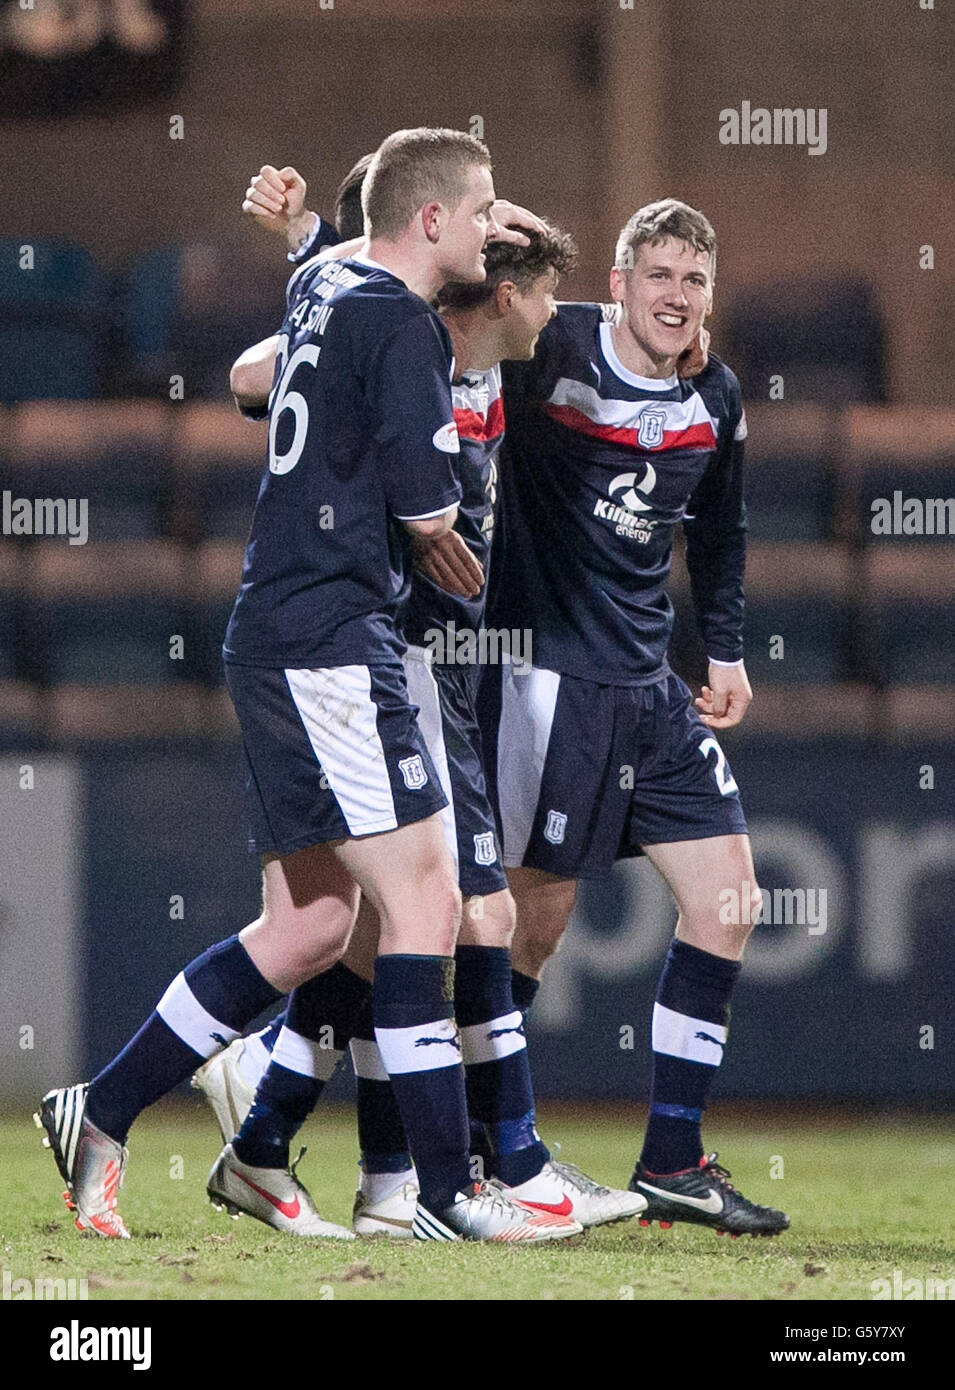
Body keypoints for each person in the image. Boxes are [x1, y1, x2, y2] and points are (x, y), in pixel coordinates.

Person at [36, 128, 577, 1245]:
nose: (491, 231)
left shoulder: (328, 279)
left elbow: (265, 362)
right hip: (333, 642)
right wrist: (432, 529)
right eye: (480, 213)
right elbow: (428, 512)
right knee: (427, 903)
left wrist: (307, 234)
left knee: (314, 925)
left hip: (274, 629)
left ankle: (103, 1108)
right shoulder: (405, 328)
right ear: (432, 223)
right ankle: (441, 1191)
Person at [201, 160, 645, 1236]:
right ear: (484, 278)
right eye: (530, 279)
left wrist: (314, 237)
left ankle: (310, 1144)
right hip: (383, 656)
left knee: (372, 936)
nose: (552, 310)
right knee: (456, 913)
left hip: (435, 664)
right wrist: (318, 243)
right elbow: (254, 374)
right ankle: (493, 1168)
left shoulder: (485, 353)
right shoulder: (410, 341)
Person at [478, 198, 789, 1237]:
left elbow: (725, 527)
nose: (675, 296)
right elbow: (451, 323)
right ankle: (478, 1148)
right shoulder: (552, 342)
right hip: (552, 680)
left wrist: (728, 649)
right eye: (656, 275)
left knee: (731, 899)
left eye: (694, 280)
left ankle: (670, 1159)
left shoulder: (718, 393)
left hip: (652, 688)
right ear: (615, 284)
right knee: (529, 922)